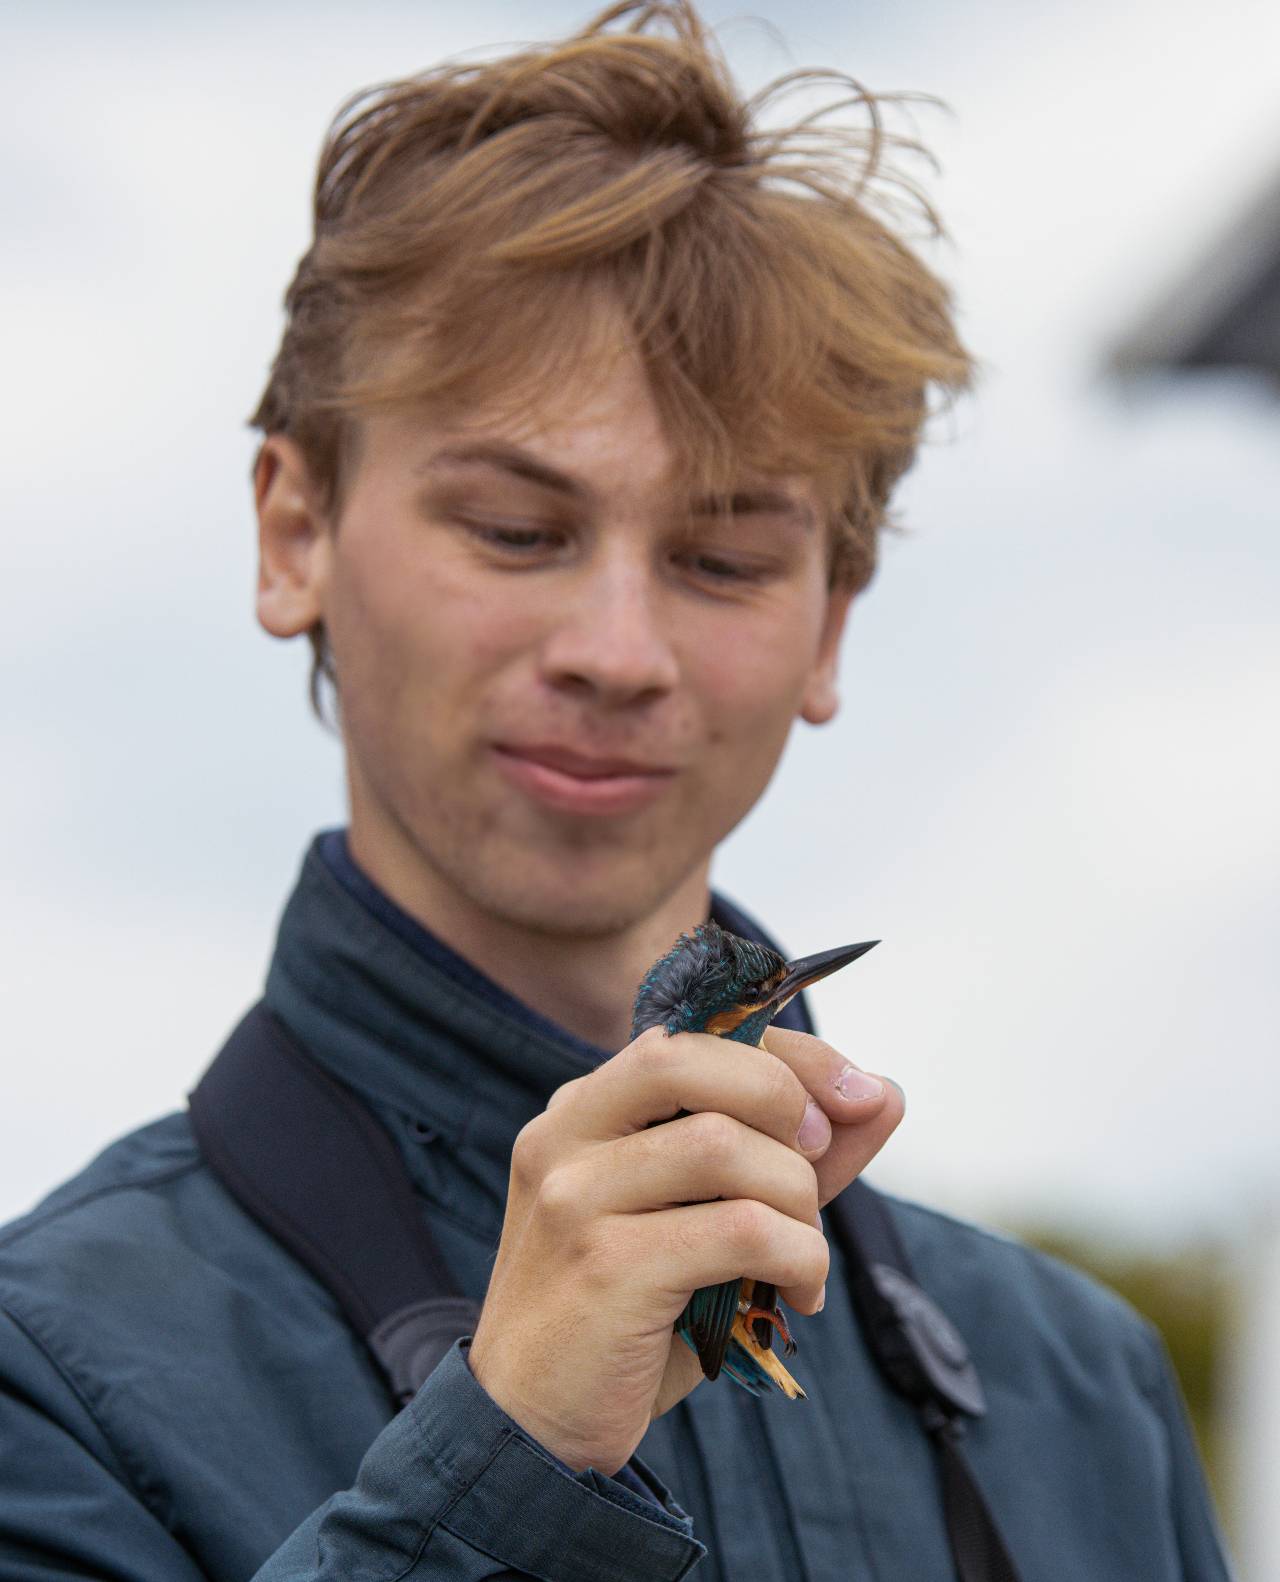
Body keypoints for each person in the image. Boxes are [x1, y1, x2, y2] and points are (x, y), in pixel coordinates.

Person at [0, 3, 1232, 1579]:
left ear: (831, 622)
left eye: (722, 559)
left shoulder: (1082, 1393)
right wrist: (509, 1458)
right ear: (292, 528)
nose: (618, 648)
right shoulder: (46, 1379)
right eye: (518, 529)